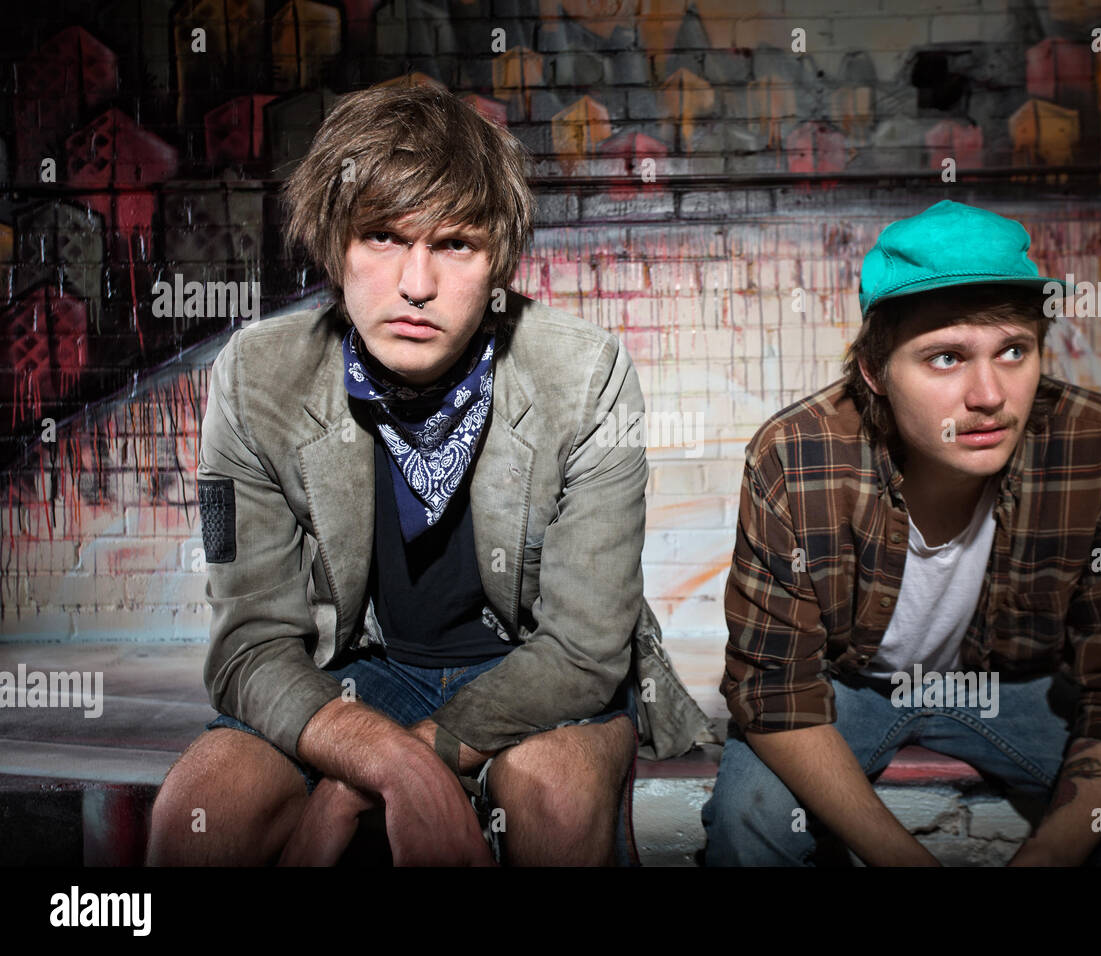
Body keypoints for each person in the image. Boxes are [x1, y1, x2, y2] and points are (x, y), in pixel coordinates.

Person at [147, 83, 704, 867]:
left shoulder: (584, 374)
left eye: (455, 244)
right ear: (333, 242)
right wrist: (390, 762)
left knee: (558, 796)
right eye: (381, 237)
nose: (416, 284)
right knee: (199, 812)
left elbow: (584, 649)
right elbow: (249, 646)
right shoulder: (258, 378)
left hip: (532, 672)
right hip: (351, 675)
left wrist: (383, 773)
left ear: (499, 262)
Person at [701, 199, 1101, 866]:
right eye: (946, 358)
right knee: (753, 819)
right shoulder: (797, 458)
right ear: (874, 372)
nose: (989, 394)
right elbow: (772, 690)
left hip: (1015, 686)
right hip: (850, 689)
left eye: (1013, 351)